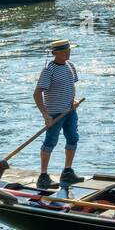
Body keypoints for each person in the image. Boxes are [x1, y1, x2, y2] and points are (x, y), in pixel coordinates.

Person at [33, 39, 82, 190]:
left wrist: (74, 101)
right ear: (55, 53)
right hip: (54, 114)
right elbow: (37, 94)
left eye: (69, 50)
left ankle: (67, 172)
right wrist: (46, 115)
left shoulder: (70, 66)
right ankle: (43, 176)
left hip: (70, 111)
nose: (68, 53)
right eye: (65, 51)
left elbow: (69, 87)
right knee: (50, 142)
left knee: (73, 138)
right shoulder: (49, 70)